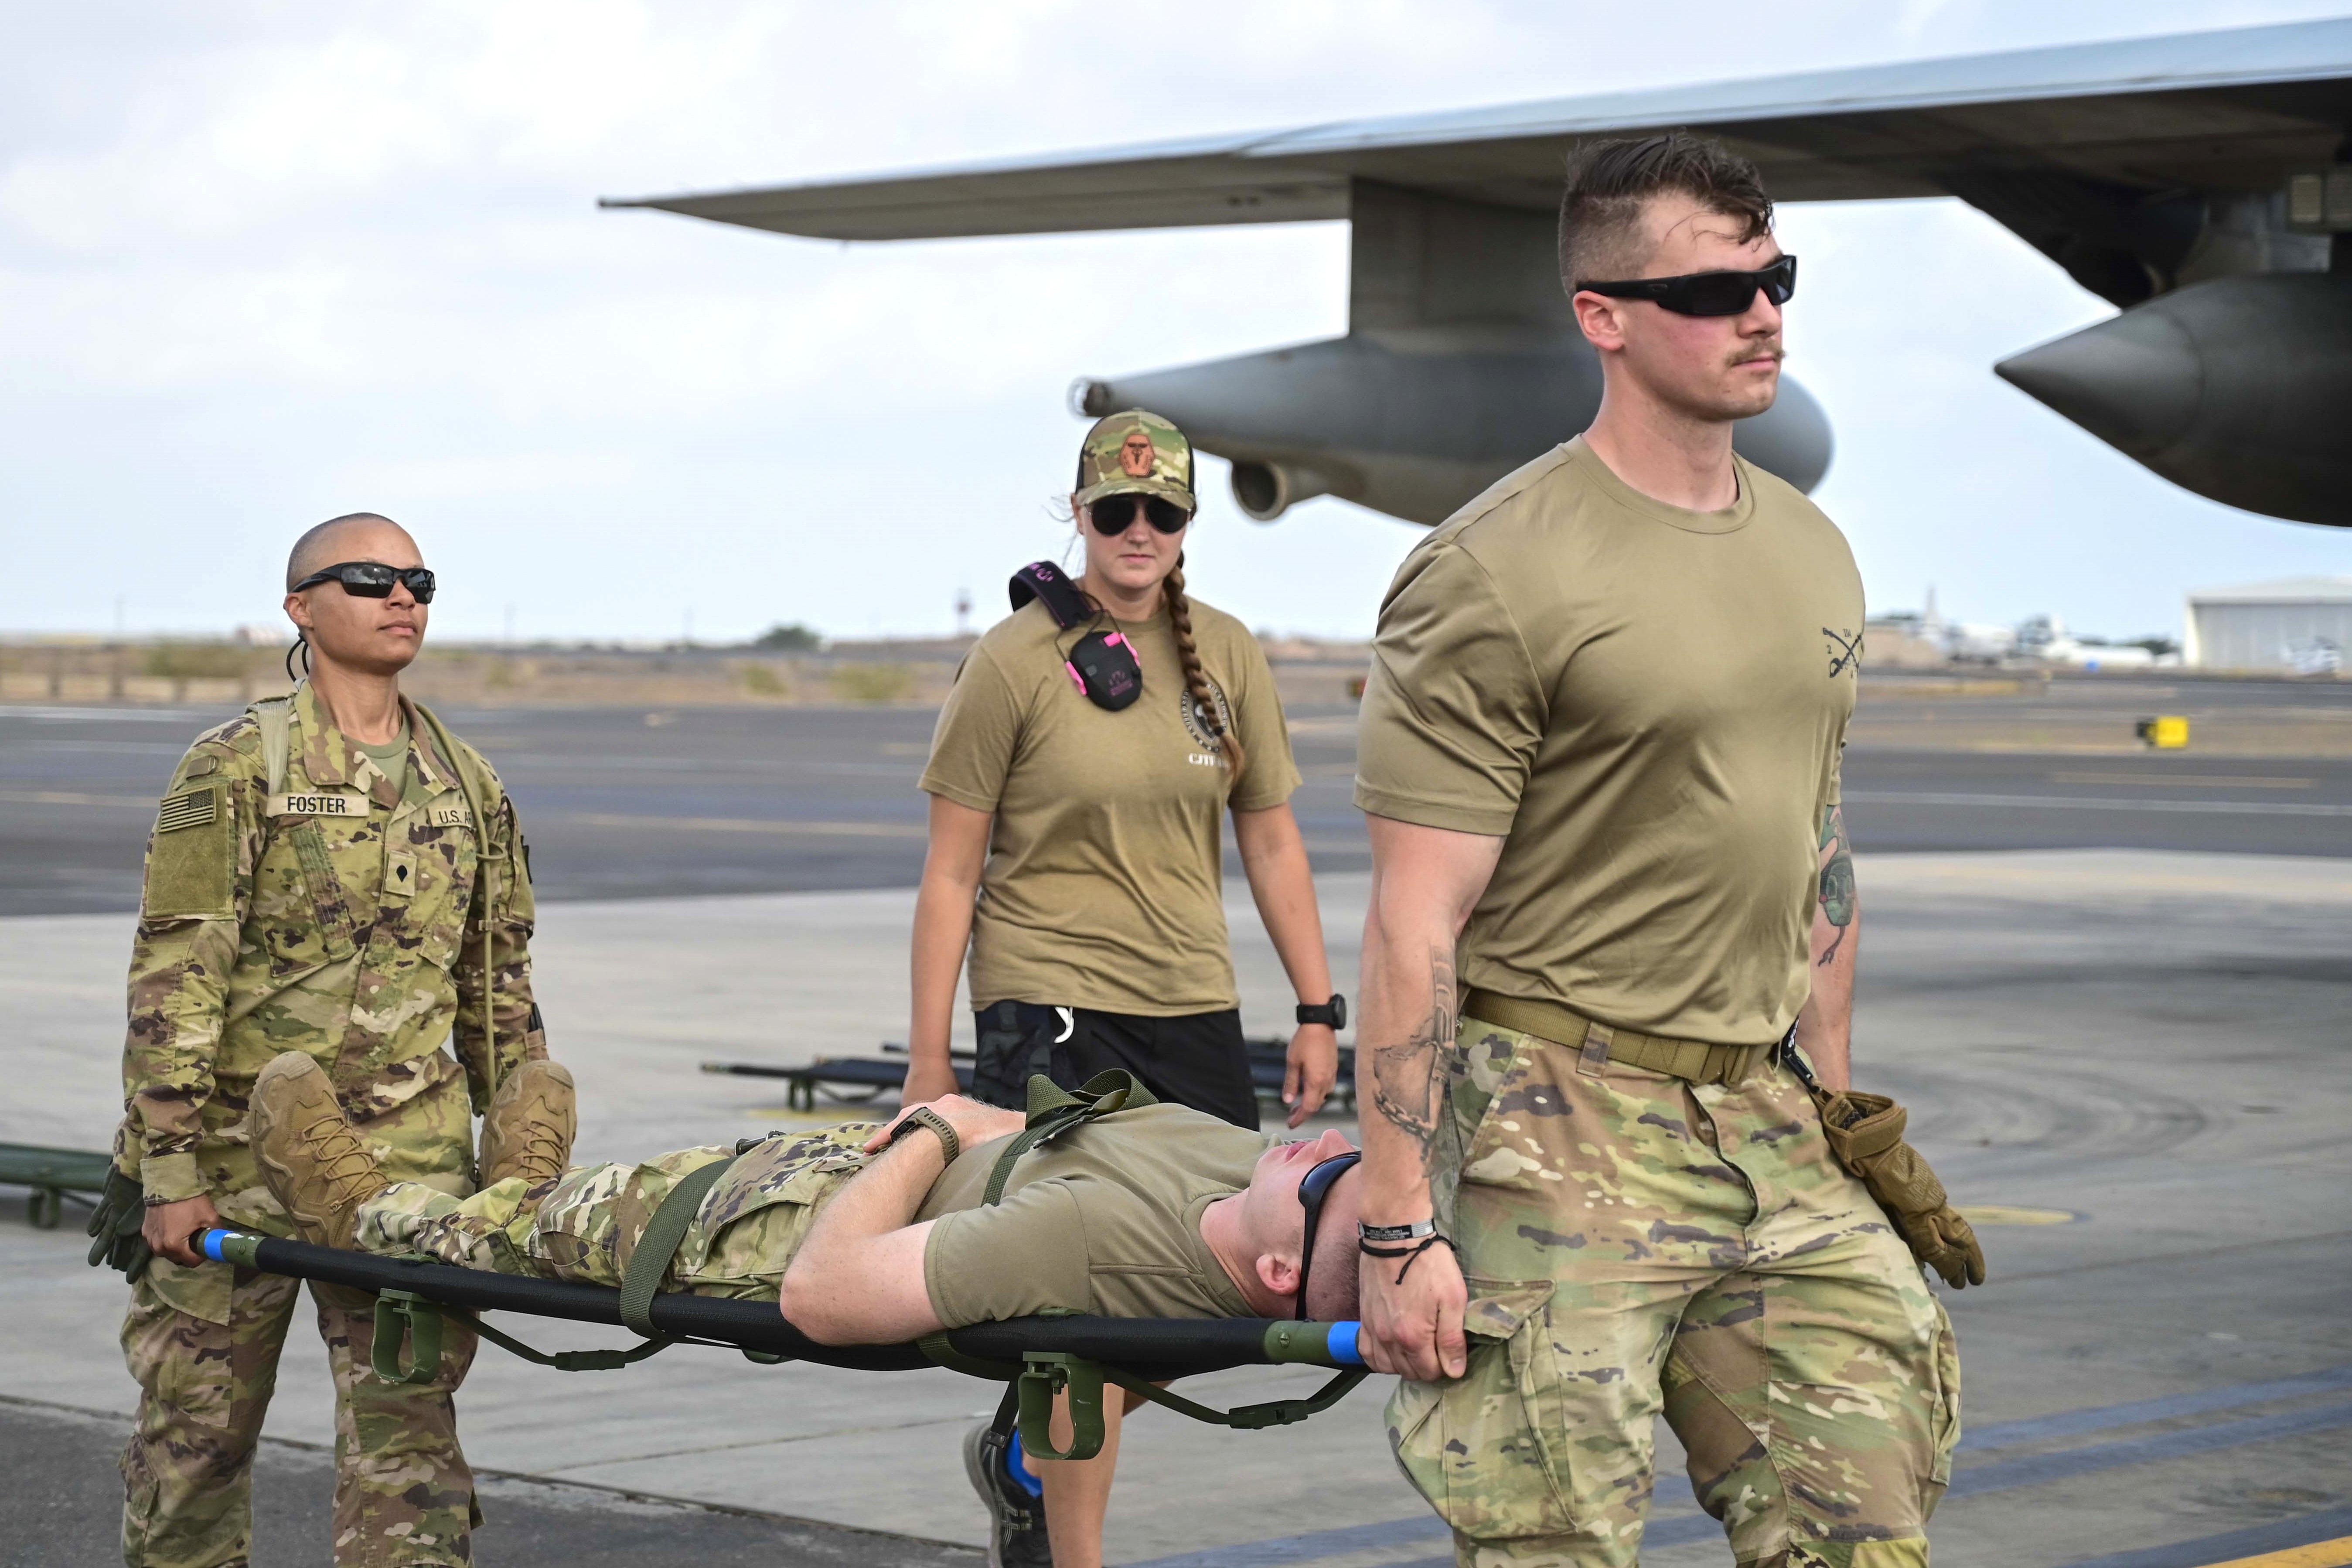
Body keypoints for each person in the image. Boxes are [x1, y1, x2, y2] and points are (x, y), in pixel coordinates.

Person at [1348, 134, 1963, 1568]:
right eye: (1711, 288)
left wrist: (1840, 1105)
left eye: (1774, 277)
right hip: (1558, 1121)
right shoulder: (1493, 570)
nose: (1760, 315)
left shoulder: (1813, 550)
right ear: (1601, 315)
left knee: (1863, 1525)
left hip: (1770, 1118)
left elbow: (1815, 852)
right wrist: (1397, 1227)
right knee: (1549, 1540)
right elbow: (1413, 924)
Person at [242, 1050, 1366, 1566]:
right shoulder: (1246, 1165)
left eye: (1322, 1181)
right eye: (1339, 1155)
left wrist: (936, 1125)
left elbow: (821, 1295)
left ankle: (369, 1210)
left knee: (544, 1243)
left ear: (1278, 1275)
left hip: (793, 1218)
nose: (1315, 1148)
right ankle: (529, 1191)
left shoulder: (1080, 1244)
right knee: (574, 1203)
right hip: (858, 1165)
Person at [903, 409, 1346, 1563]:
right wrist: (929, 1060)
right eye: (1116, 511)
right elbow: (951, 871)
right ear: (1081, 514)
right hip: (1051, 1003)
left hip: (1190, 1002)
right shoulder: (1014, 661)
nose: (1138, 529)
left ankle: (1019, 1455)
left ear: (1189, 520)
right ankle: (1066, 1543)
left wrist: (1314, 1006)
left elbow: (1276, 842)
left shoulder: (1231, 654)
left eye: (1162, 511)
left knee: (1225, 1284)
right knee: (1078, 1303)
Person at [106, 512, 573, 1568]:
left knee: (408, 1453)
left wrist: (518, 1169)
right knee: (197, 1445)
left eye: (419, 579)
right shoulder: (236, 766)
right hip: (233, 1169)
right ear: (301, 608)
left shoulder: (468, 781)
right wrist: (171, 1169)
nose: (402, 596)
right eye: (370, 578)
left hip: (405, 1176)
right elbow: (176, 978)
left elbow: (497, 982)